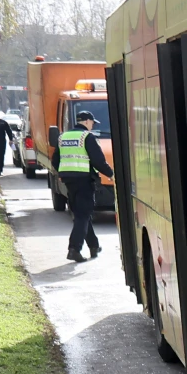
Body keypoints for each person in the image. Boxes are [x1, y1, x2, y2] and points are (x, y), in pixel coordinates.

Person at [57, 110, 113, 262]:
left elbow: (56, 159)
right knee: (82, 215)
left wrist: (63, 172)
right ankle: (74, 249)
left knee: (82, 213)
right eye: (92, 123)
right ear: (87, 121)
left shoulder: (63, 137)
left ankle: (94, 246)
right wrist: (110, 174)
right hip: (84, 180)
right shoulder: (87, 137)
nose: (92, 125)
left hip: (69, 181)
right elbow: (98, 160)